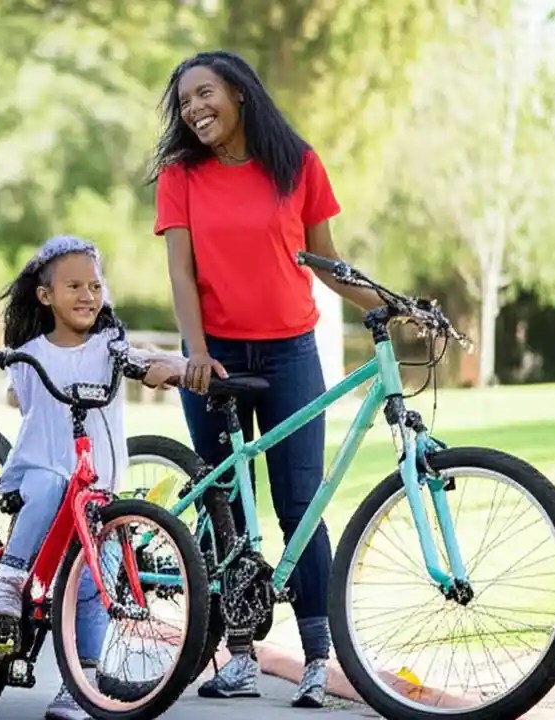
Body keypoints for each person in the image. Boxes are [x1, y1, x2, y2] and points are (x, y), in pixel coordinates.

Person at [148, 50, 383, 708]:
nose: (193, 108)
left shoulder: (297, 163)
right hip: (215, 357)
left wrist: (387, 306)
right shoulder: (180, 175)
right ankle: (240, 654)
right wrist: (195, 351)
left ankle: (317, 655)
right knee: (226, 507)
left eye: (204, 93)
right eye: (184, 101)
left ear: (240, 93)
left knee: (300, 505)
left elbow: (327, 264)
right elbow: (181, 274)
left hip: (289, 355)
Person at [0, 235, 183, 720]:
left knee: (92, 582)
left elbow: (147, 363)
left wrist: (177, 367)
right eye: (74, 286)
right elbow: (17, 398)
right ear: (45, 296)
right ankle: (8, 578)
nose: (88, 295)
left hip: (96, 495)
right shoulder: (31, 353)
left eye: (94, 285)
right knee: (49, 483)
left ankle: (80, 683)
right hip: (41, 478)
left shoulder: (110, 346)